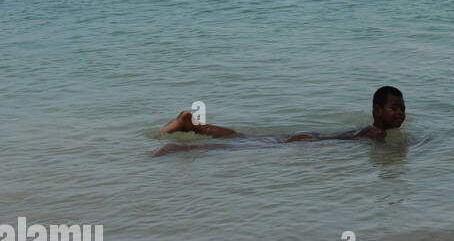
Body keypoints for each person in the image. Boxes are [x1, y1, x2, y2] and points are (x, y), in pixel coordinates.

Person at [153, 86, 405, 154]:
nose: (400, 113)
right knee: (239, 147)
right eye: (394, 108)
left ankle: (192, 125)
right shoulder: (376, 134)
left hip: (306, 139)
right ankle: (179, 148)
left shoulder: (371, 130)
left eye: (402, 108)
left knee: (241, 139)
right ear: (376, 111)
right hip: (304, 142)